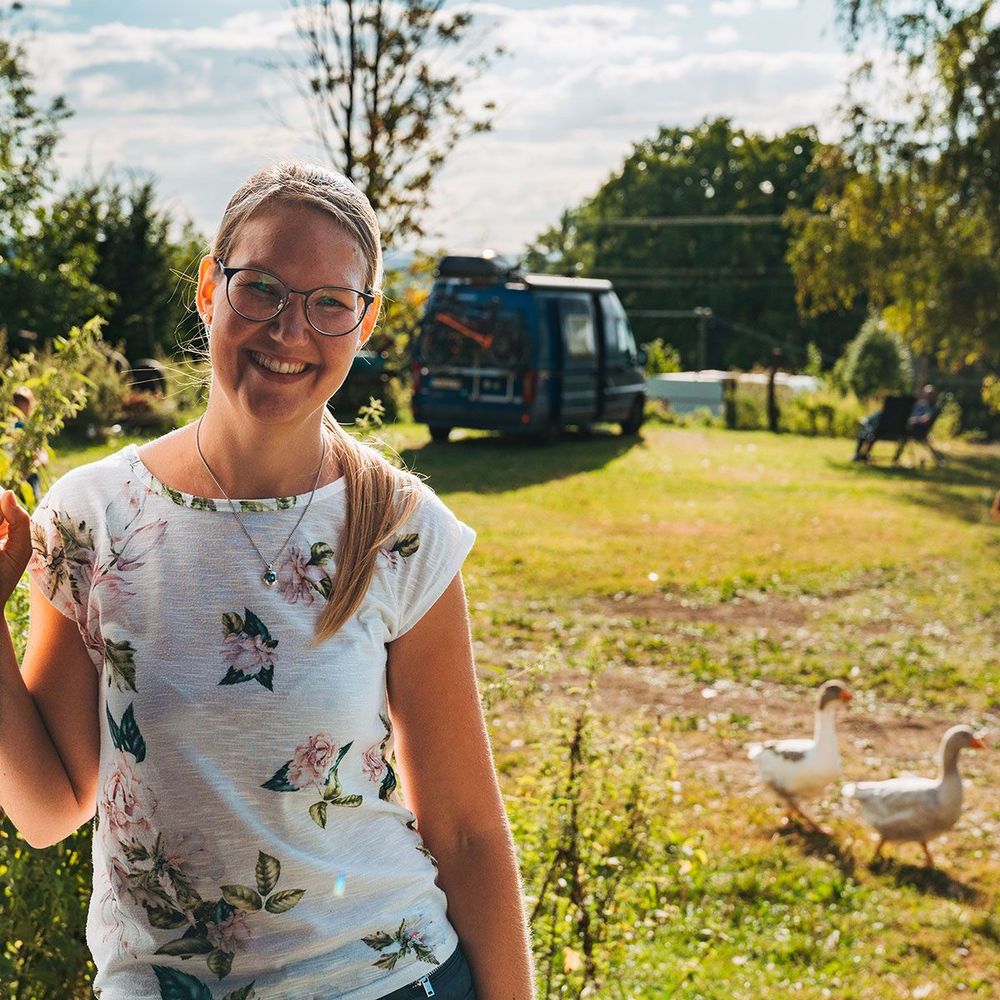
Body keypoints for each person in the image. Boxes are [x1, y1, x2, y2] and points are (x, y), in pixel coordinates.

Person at [0, 161, 534, 999]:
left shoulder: (400, 530)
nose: (290, 331)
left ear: (365, 322)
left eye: (330, 303)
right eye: (262, 290)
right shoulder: (93, 517)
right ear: (209, 288)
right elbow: (47, 808)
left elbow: (466, 832)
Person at [853, 384, 938, 462]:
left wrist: (911, 420)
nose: (927, 396)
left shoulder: (932, 408)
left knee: (870, 428)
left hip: (906, 428)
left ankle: (867, 421)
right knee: (882, 417)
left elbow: (926, 419)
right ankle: (868, 423)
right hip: (897, 427)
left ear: (934, 395)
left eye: (930, 394)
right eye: (926, 393)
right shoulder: (917, 404)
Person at [11, 386, 48, 499]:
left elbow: (42, 453)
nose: (22, 408)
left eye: (25, 404)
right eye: (18, 404)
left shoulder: (33, 429)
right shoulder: (10, 428)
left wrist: (40, 460)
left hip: (31, 476)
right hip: (14, 477)